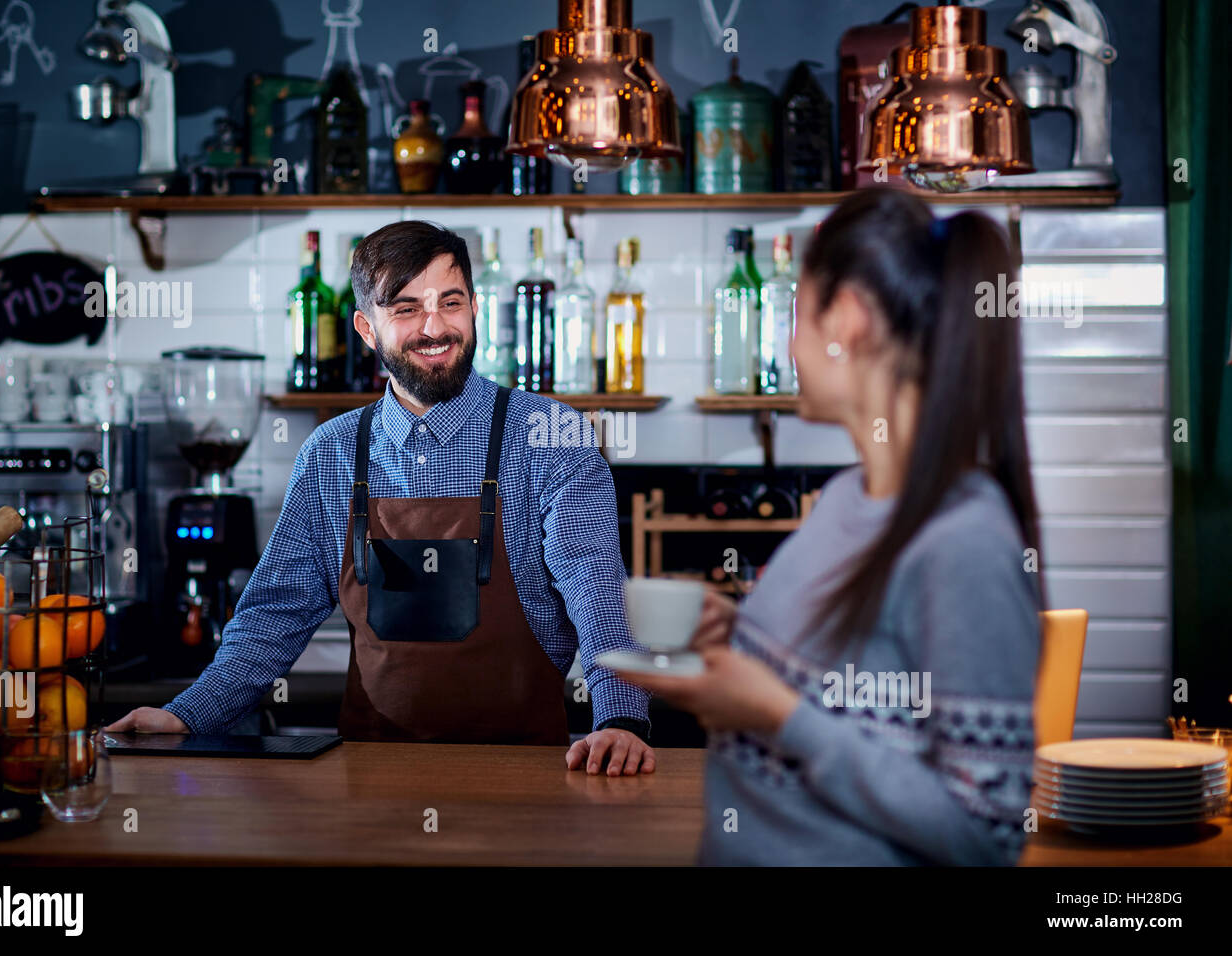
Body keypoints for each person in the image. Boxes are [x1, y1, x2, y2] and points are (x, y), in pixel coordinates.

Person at [110, 220, 655, 776]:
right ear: (367, 329)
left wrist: (622, 720)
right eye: (406, 307)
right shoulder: (332, 451)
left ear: (475, 307)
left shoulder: (550, 435)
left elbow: (599, 594)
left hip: (527, 776)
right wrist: (187, 716)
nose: (435, 326)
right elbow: (277, 610)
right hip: (369, 776)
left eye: (451, 301)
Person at [610, 188, 1044, 862]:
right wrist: (740, 633)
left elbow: (985, 834)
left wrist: (778, 717)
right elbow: (846, 684)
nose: (789, 343)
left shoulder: (965, 543)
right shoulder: (848, 498)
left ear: (844, 319)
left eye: (797, 313)